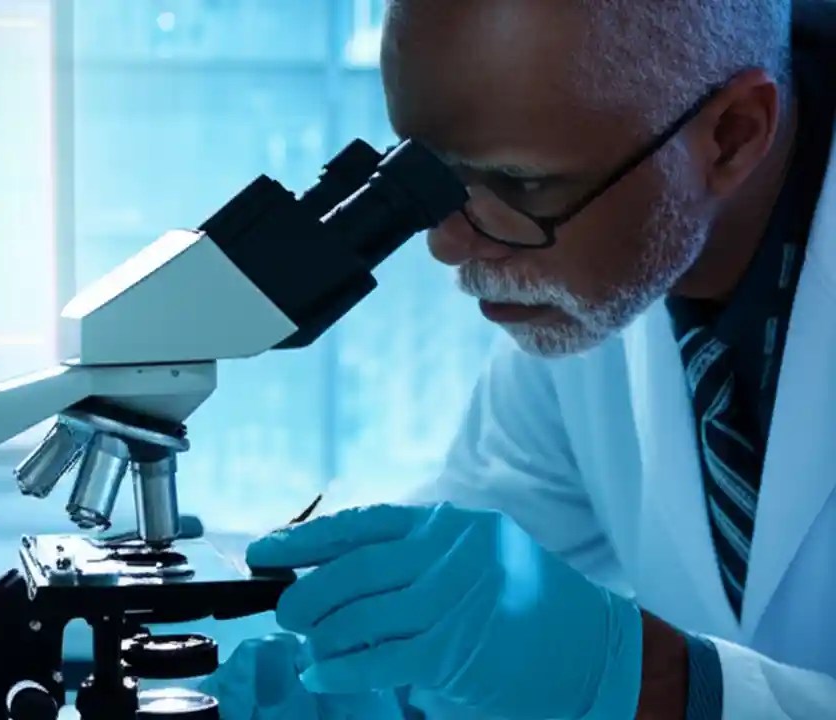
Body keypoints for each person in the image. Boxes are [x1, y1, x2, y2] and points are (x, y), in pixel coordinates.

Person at [202, 1, 836, 718]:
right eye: (430, 177)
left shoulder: (584, 261)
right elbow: (481, 572)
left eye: (520, 183)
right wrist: (369, 673)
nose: (446, 244)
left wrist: (650, 679)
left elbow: (582, 658)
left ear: (730, 134)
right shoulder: (586, 287)